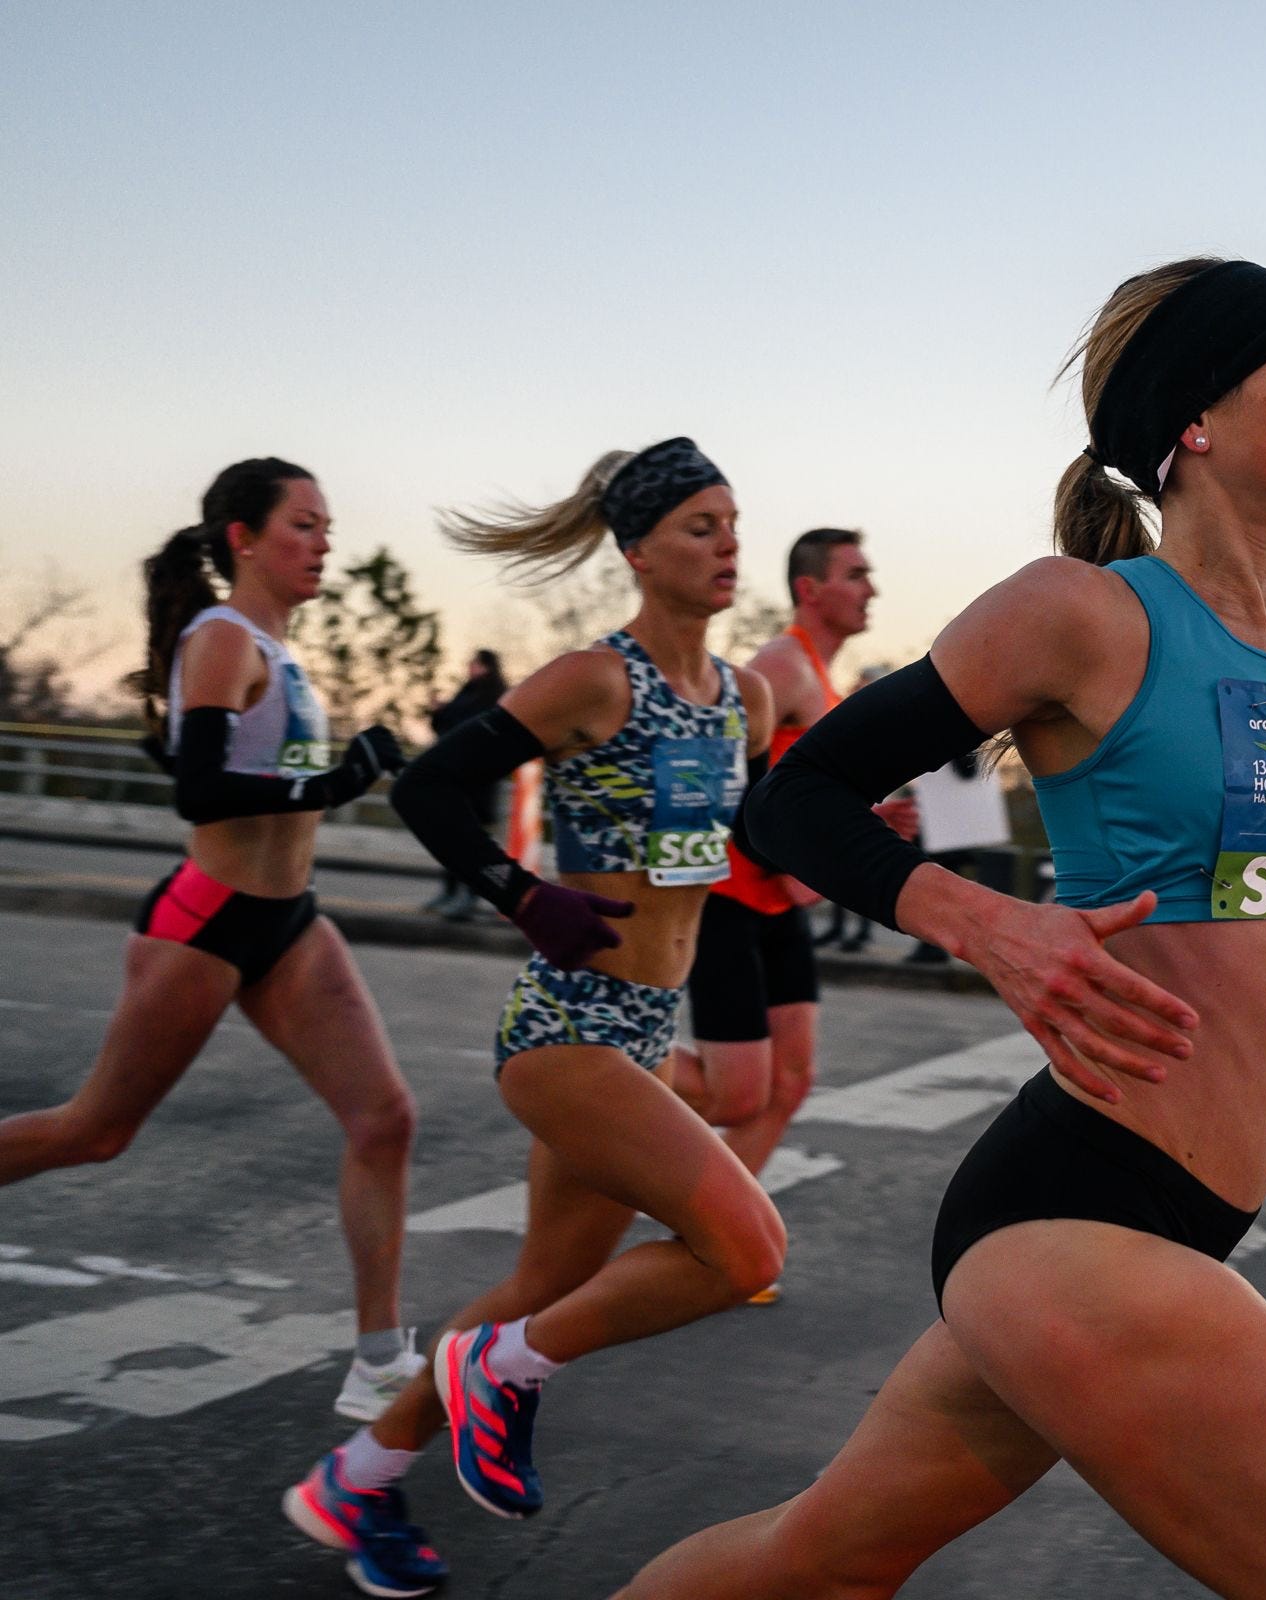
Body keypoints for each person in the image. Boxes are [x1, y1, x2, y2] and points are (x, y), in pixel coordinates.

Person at [617, 257, 1266, 1600]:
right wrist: (986, 923)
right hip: (1076, 1223)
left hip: (1191, 1215)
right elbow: (794, 798)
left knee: (824, 1563)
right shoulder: (1080, 614)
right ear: (1194, 415)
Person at [281, 439, 787, 1599]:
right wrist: (523, 893)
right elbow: (427, 786)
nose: (727, 546)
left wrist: (850, 853)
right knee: (748, 1250)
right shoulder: (591, 680)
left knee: (545, 1286)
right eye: (702, 527)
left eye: (733, 523)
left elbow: (727, 849)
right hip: (565, 1027)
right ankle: (497, 1374)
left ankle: (355, 1479)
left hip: (645, 1029)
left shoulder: (742, 701)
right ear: (638, 550)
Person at [0, 459, 423, 1424]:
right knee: (94, 1132)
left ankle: (378, 1359)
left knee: (384, 1119)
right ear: (244, 537)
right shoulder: (223, 638)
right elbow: (198, 791)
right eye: (304, 525)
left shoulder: (280, 648)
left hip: (288, 922)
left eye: (328, 527)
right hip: (202, 925)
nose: (324, 543)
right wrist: (332, 784)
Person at [661, 527, 915, 1304]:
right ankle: (603, 1067)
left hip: (776, 901)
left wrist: (858, 822)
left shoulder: (821, 676)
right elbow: (707, 763)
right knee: (738, 1095)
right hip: (733, 897)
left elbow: (796, 789)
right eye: (856, 574)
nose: (871, 587)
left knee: (792, 1080)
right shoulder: (781, 663)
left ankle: (710, 1241)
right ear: (813, 589)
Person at [422, 649, 509, 918]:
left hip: (476, 780)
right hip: (454, 777)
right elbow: (446, 727)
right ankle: (450, 892)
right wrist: (439, 712)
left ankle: (469, 896)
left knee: (470, 843)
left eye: (475, 663)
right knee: (448, 838)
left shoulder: (493, 696)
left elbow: (471, 729)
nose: (470, 668)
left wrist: (447, 712)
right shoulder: (468, 692)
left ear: (485, 666)